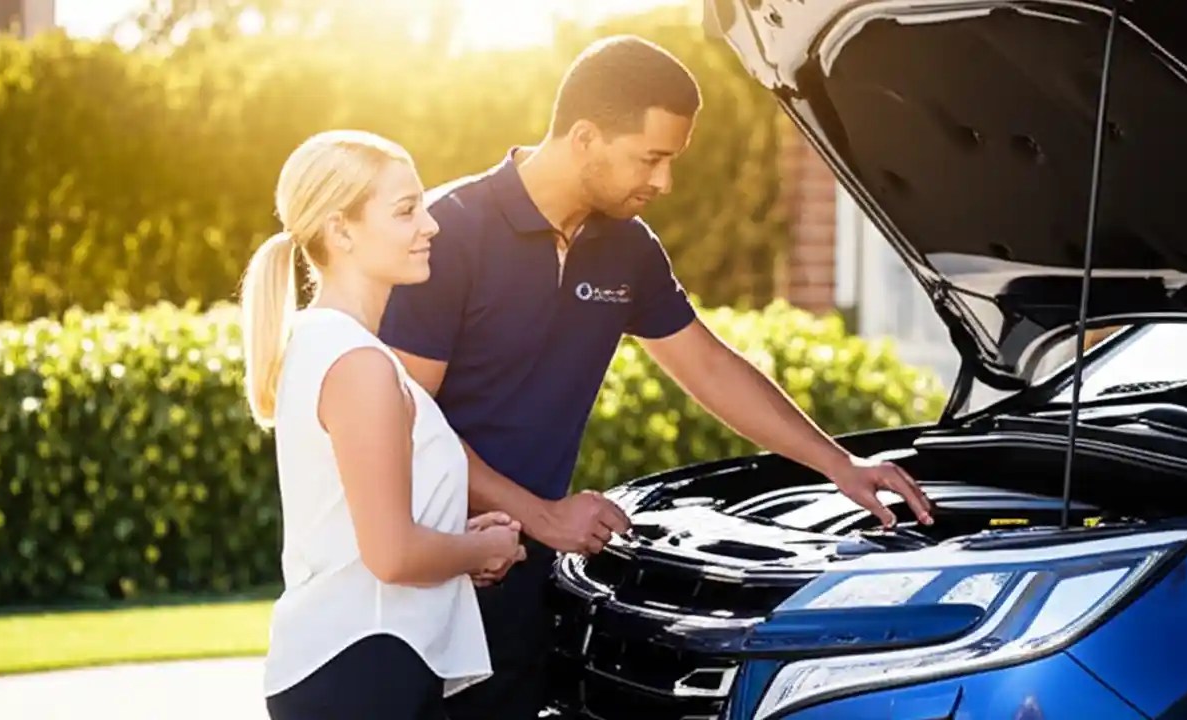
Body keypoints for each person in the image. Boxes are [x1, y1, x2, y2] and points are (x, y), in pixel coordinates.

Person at [378, 36, 934, 720]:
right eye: (652, 157)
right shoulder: (448, 233)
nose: (665, 182)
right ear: (585, 138)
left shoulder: (628, 248)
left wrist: (839, 463)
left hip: (523, 579)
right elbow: (406, 425)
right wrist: (545, 515)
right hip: (427, 571)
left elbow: (706, 364)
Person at [239, 129, 527, 720]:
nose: (431, 225)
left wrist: (462, 531)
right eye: (406, 210)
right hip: (365, 670)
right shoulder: (358, 363)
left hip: (361, 667)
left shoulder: (329, 346)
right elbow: (392, 555)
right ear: (340, 230)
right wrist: (483, 547)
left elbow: (364, 528)